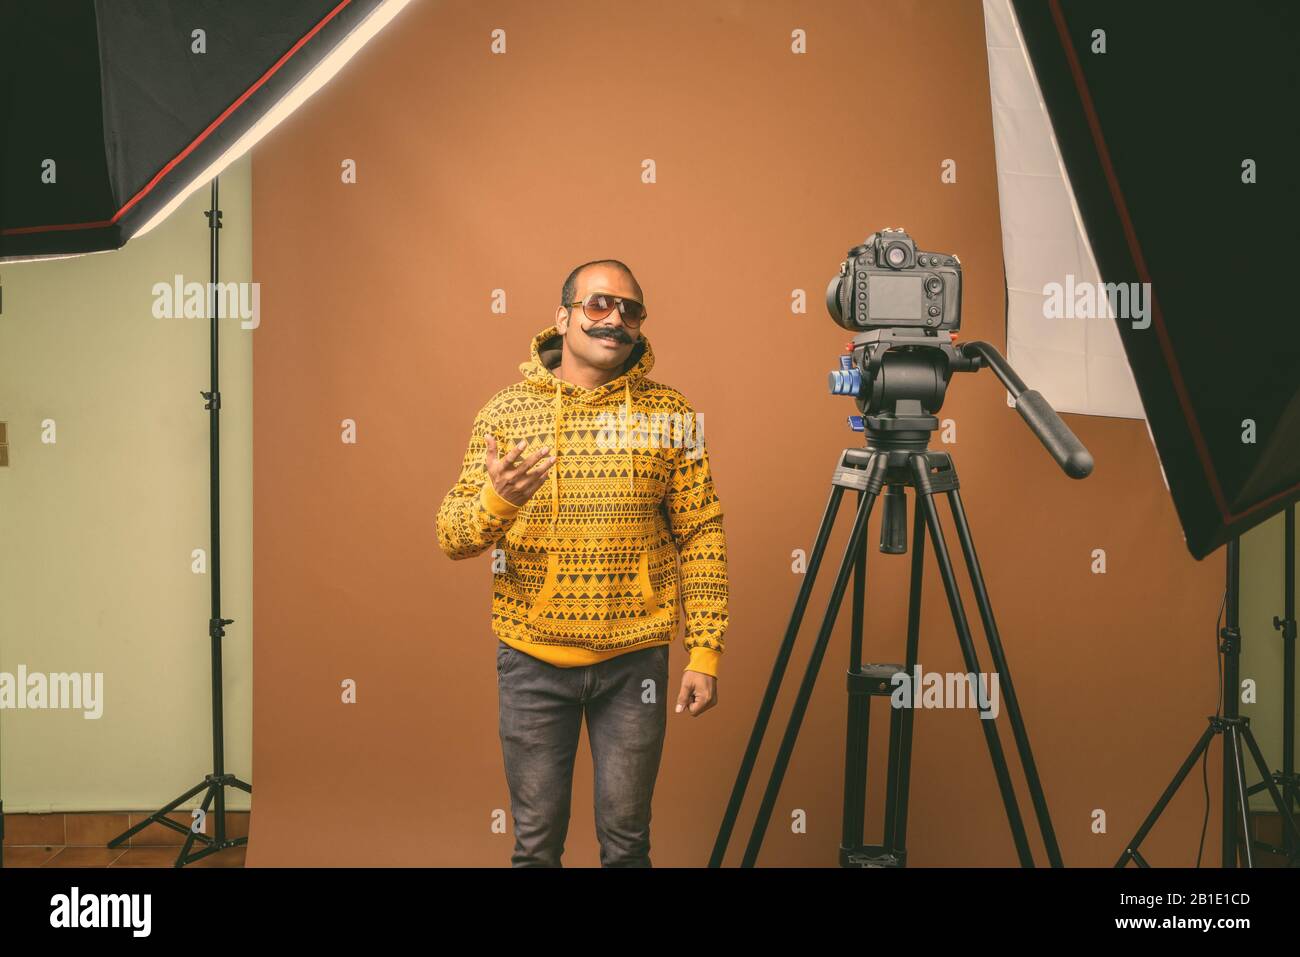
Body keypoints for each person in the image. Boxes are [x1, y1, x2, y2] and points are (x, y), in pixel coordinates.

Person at [436, 258, 730, 866]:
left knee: (627, 847)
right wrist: (499, 501)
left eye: (630, 310)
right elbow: (452, 535)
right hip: (531, 661)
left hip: (636, 661)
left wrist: (704, 651)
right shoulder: (506, 413)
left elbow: (701, 533)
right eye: (599, 304)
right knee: (536, 847)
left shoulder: (673, 414)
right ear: (563, 316)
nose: (614, 320)